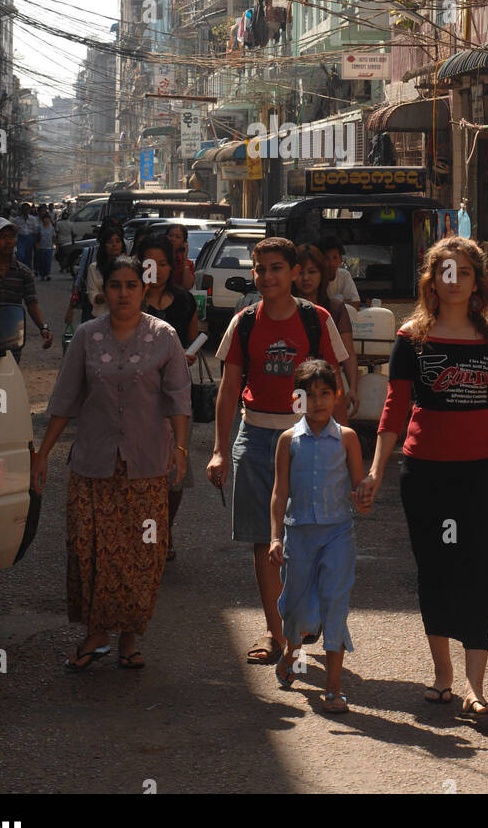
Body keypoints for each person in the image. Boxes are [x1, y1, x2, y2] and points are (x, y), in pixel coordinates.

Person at [358, 237, 488, 716]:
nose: (454, 281)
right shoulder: (411, 337)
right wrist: (375, 471)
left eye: (464, 272)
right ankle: (442, 675)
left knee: (476, 571)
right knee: (435, 569)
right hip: (426, 472)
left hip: (483, 473)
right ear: (432, 281)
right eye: (444, 272)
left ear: (477, 282)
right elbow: (394, 409)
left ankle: (476, 687)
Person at [32, 255, 191, 672]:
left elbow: (178, 397)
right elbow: (65, 399)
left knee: (141, 553)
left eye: (132, 285)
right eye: (116, 285)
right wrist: (43, 453)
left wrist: (181, 449)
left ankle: (128, 638)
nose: (123, 293)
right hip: (93, 464)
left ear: (144, 289)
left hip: (146, 465)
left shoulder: (164, 336)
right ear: (107, 291)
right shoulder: (87, 336)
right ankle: (95, 634)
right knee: (90, 550)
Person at [207, 237, 349, 667]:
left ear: (292, 273)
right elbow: (230, 388)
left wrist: (332, 442)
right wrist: (218, 449)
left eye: (275, 268)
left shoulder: (316, 320)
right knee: (262, 540)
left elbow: (334, 385)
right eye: (260, 269)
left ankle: (304, 617)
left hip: (305, 438)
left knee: (306, 534)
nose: (267, 277)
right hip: (255, 438)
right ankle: (276, 632)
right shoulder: (244, 322)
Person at [269, 359, 368, 714]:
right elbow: (280, 491)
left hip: (338, 534)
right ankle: (292, 653)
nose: (318, 402)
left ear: (336, 395)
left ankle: (334, 686)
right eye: (309, 395)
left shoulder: (347, 438)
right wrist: (275, 537)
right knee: (295, 608)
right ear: (298, 399)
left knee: (334, 605)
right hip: (298, 535)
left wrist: (365, 495)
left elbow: (359, 489)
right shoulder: (288, 441)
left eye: (325, 393)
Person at [140, 231, 201, 560]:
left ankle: (164, 530)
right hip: (137, 399)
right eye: (150, 263)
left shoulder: (184, 300)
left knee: (175, 473)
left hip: (176, 398)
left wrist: (188, 353)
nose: (157, 270)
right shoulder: (130, 301)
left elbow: (195, 337)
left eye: (163, 263)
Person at [0, 217, 54, 361]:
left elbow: (32, 304)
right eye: (3, 237)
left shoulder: (24, 273)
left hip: (12, 339)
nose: (8, 242)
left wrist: (43, 328)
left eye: (11, 237)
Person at [295, 242, 359, 417]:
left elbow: (348, 353)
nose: (306, 278)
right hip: (294, 391)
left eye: (312, 272)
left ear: (322, 274)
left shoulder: (335, 309)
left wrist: (353, 389)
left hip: (327, 389)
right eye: (301, 272)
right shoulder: (284, 309)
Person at [86, 222, 126, 318]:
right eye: (110, 242)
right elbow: (92, 295)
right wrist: (110, 296)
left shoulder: (129, 267)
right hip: (101, 317)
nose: (114, 245)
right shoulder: (94, 268)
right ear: (104, 245)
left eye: (117, 241)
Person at [319, 236, 360, 306]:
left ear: (340, 259)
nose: (331, 263)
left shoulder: (344, 275)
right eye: (326, 258)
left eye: (335, 258)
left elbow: (355, 303)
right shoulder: (316, 277)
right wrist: (342, 303)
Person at [166, 224, 195, 290]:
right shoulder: (157, 257)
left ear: (184, 242)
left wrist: (184, 259)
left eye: (177, 237)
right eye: (170, 235)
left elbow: (187, 286)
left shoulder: (187, 263)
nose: (173, 239)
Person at [12, 202, 39, 269]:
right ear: (21, 210)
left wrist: (36, 243)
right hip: (21, 239)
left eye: (27, 209)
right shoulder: (17, 220)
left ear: (29, 210)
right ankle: (20, 268)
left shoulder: (33, 219)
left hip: (30, 238)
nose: (25, 211)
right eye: (24, 209)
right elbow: (14, 230)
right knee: (20, 255)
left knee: (28, 256)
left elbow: (35, 231)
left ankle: (28, 270)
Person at [35, 212, 55, 282]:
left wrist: (55, 245)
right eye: (45, 219)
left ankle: (48, 274)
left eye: (48, 219)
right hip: (41, 247)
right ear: (43, 219)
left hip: (49, 247)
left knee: (48, 262)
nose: (46, 220)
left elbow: (53, 237)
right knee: (42, 262)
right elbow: (37, 236)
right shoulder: (39, 227)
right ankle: (42, 275)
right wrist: (37, 245)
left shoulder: (52, 228)